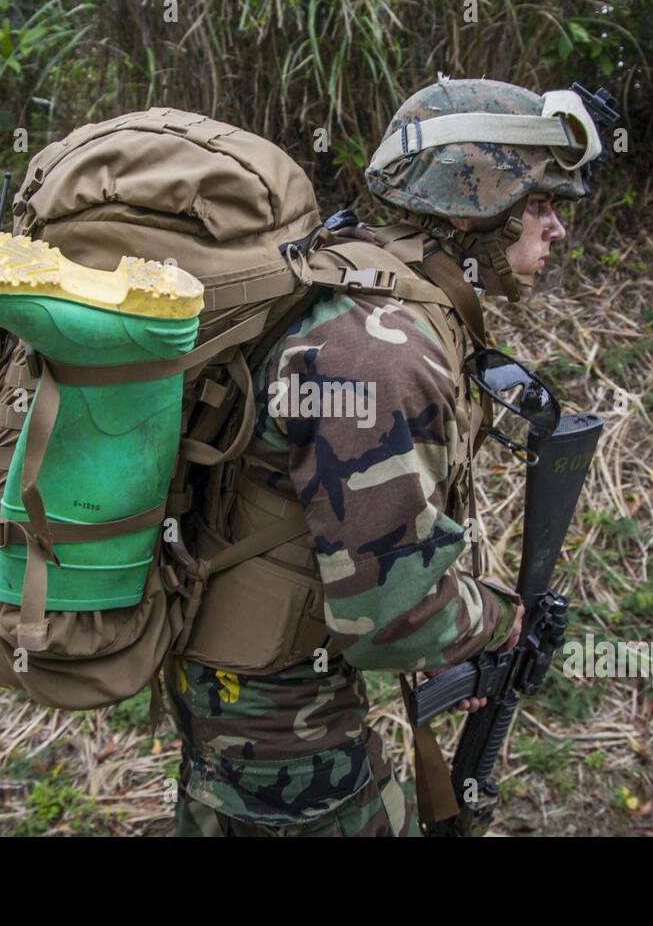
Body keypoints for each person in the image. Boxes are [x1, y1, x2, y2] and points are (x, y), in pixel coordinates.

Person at [165, 77, 603, 837]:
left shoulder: (358, 285)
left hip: (249, 691)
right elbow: (388, 617)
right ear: (480, 200)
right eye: (540, 204)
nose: (556, 229)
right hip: (277, 724)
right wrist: (499, 624)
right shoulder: (380, 351)